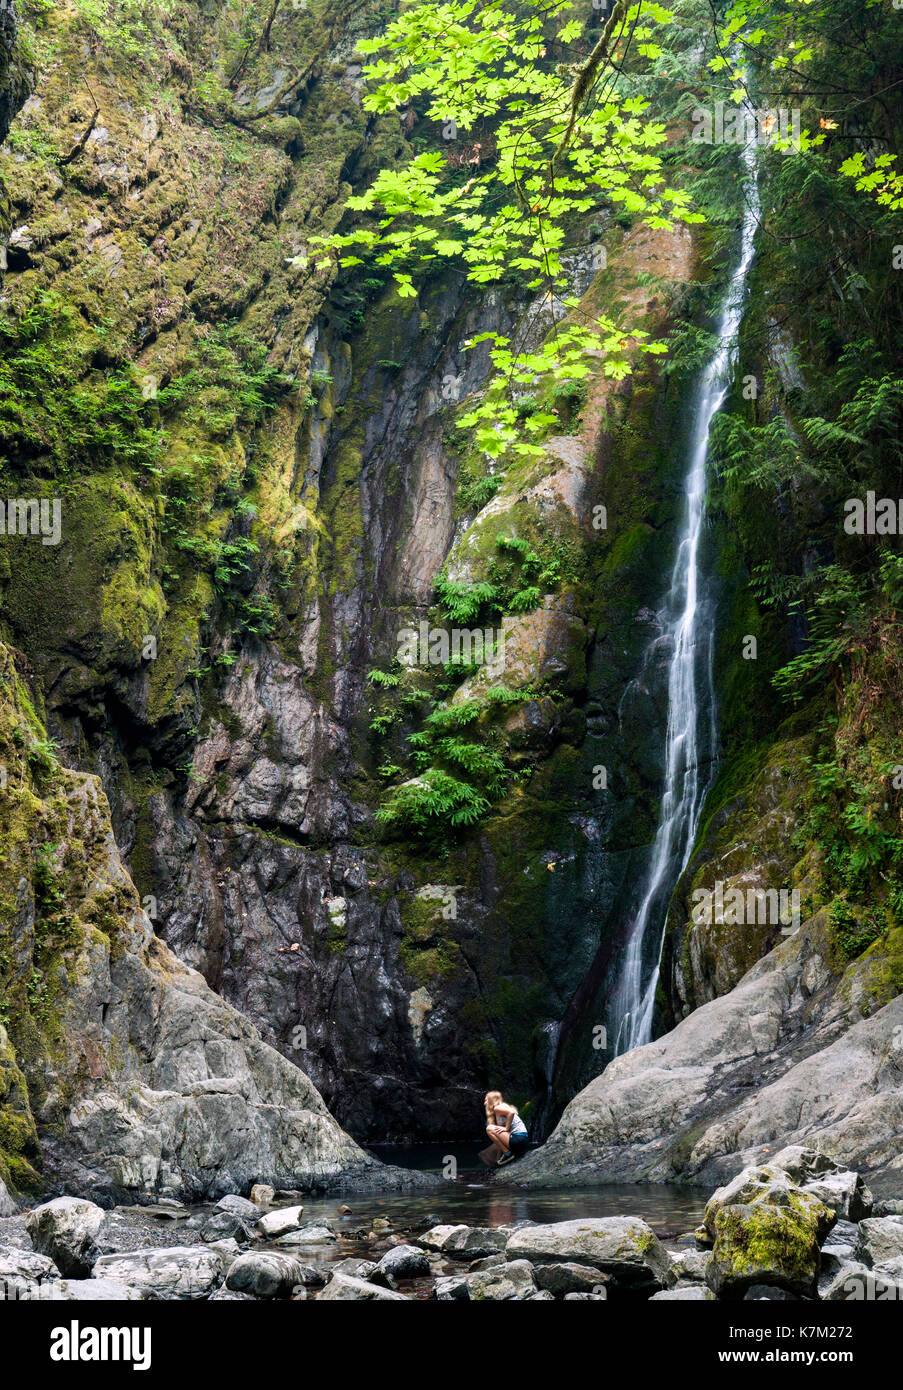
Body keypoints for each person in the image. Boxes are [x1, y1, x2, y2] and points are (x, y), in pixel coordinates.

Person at [478, 1090, 529, 1166]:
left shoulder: (498, 1108)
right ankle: (502, 1158)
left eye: (486, 1100)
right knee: (495, 1140)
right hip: (521, 1141)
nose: (484, 1103)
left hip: (518, 1138)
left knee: (489, 1128)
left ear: (491, 1100)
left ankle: (507, 1153)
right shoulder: (500, 1109)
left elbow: (511, 1112)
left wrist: (506, 1128)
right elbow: (499, 1139)